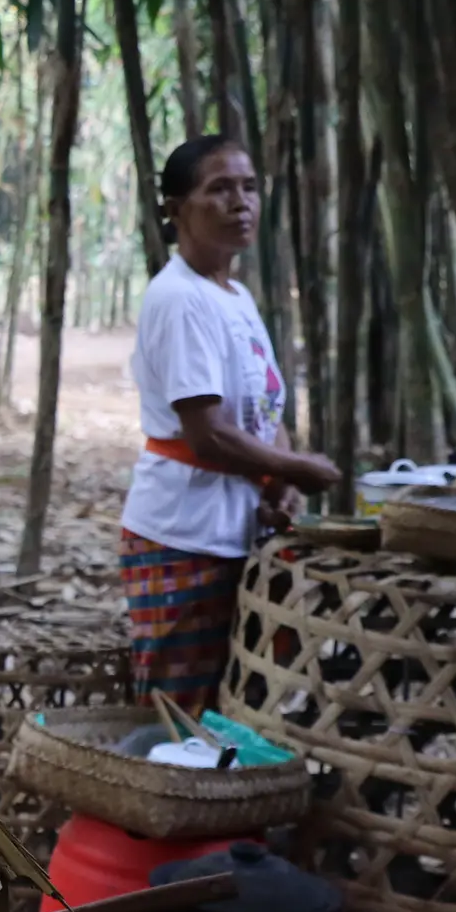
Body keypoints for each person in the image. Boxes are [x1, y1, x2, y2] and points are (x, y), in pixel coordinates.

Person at [122, 135, 342, 710]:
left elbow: (264, 408)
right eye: (219, 189)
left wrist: (282, 479)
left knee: (242, 703)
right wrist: (296, 466)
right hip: (184, 534)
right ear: (176, 209)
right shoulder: (179, 298)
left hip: (238, 530)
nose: (240, 202)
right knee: (181, 710)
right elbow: (208, 433)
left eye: (248, 187)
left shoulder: (235, 295)